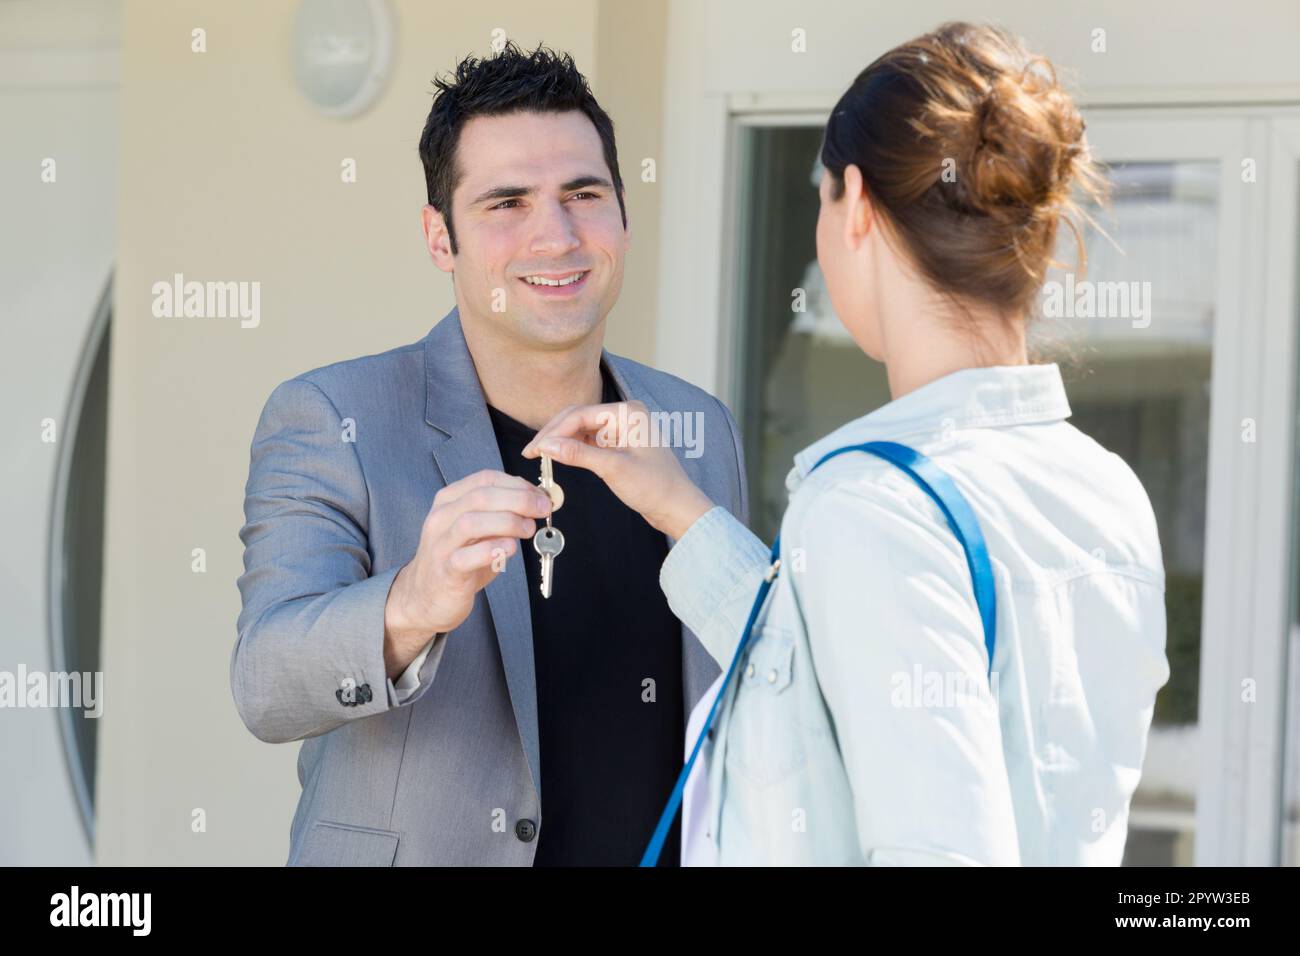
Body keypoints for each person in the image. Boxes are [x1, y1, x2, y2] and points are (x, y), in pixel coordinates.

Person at [524, 22, 1171, 865]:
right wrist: (679, 507)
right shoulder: (1105, 490)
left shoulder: (875, 503)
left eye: (821, 197)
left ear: (857, 205)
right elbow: (829, 679)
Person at [231, 43, 748, 866]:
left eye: (584, 193)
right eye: (506, 202)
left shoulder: (698, 427)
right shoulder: (332, 417)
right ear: (441, 239)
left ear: (623, 214)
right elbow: (266, 685)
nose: (557, 234)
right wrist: (410, 604)